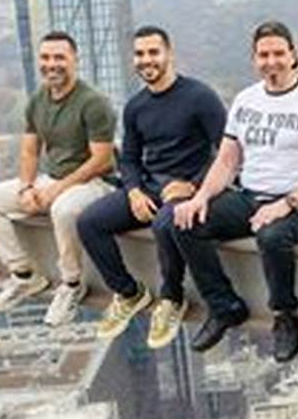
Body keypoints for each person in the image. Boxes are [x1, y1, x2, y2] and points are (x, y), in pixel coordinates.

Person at [172, 21, 298, 363]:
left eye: (279, 53)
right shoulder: (245, 100)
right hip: (250, 195)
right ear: (254, 59)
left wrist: (285, 205)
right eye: (263, 55)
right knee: (186, 223)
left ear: (294, 55)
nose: (271, 61)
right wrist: (200, 198)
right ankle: (224, 306)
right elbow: (227, 161)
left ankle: (284, 315)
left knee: (272, 237)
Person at [76, 26, 226, 344]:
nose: (146, 60)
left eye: (153, 52)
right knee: (89, 222)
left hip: (186, 190)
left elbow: (228, 153)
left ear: (169, 54)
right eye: (140, 54)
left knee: (164, 224)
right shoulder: (136, 107)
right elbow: (129, 158)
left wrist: (193, 186)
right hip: (148, 188)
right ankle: (129, 293)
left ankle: (171, 298)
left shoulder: (200, 97)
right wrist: (133, 191)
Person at [0, 31, 116, 326]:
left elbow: (102, 160)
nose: (52, 64)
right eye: (46, 58)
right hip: (52, 179)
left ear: (74, 59)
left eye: (59, 57)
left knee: (63, 210)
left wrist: (55, 190)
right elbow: (29, 151)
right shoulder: (38, 100)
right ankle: (25, 276)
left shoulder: (93, 102)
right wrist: (27, 187)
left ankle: (72, 284)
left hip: (94, 184)